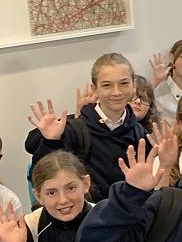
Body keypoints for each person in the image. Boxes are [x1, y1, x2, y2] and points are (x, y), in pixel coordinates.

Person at [26, 53, 147, 201]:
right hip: (85, 213)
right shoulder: (74, 130)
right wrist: (51, 141)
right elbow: (42, 179)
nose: (116, 92)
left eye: (124, 83)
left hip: (129, 210)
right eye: (107, 85)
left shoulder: (141, 134)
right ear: (95, 89)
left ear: (133, 85)